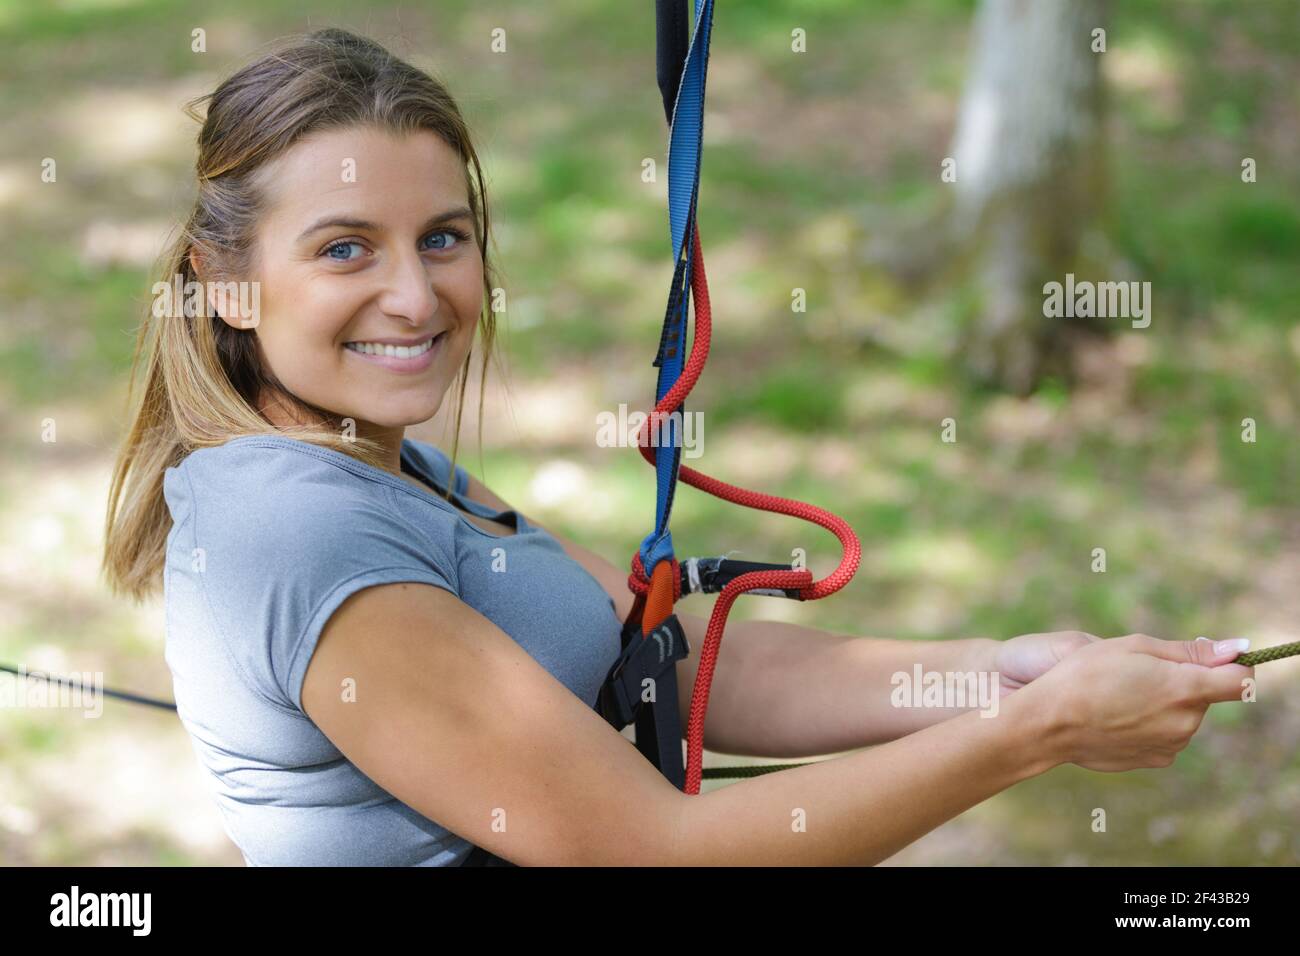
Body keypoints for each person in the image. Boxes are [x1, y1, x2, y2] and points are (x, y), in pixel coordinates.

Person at [101, 28, 1253, 867]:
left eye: (442, 237)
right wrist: (1034, 734)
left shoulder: (367, 458)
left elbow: (685, 659)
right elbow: (654, 852)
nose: (416, 293)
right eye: (346, 248)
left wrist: (993, 672)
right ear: (230, 285)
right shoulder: (297, 524)